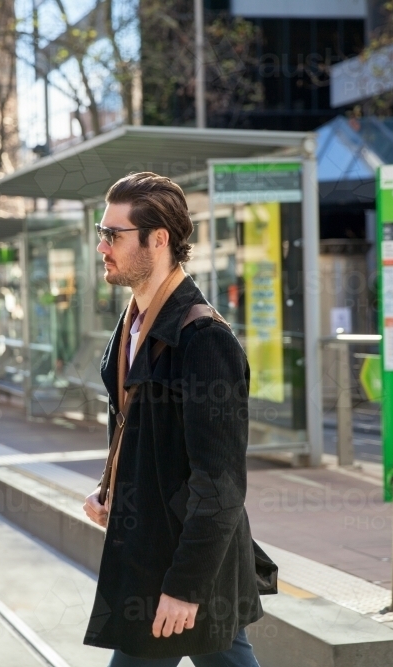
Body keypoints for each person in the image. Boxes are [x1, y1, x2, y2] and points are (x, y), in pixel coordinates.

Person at [82, 172, 263, 666]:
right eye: (101, 233)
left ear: (157, 240)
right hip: (148, 551)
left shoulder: (204, 340)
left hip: (182, 567)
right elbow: (139, 429)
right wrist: (112, 487)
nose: (102, 246)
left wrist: (185, 587)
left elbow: (221, 482)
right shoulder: (133, 322)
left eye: (113, 235)